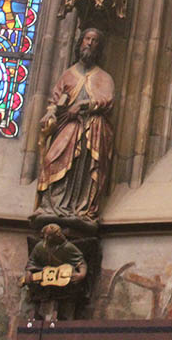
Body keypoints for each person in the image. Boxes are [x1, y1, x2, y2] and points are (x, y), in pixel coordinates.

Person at [35, 28, 115, 220]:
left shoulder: (104, 77)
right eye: (87, 39)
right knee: (52, 160)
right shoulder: (68, 74)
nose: (90, 43)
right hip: (68, 125)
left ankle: (82, 207)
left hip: (93, 128)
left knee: (86, 166)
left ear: (99, 47)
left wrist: (82, 104)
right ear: (80, 42)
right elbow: (54, 101)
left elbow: (108, 100)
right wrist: (51, 113)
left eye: (94, 41)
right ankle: (52, 204)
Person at [24, 223, 87, 321]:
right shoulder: (40, 247)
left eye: (60, 234)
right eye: (55, 235)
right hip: (44, 281)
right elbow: (32, 261)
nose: (60, 236)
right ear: (48, 237)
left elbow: (81, 262)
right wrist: (29, 271)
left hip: (64, 283)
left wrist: (81, 274)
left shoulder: (67, 247)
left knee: (64, 310)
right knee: (39, 311)